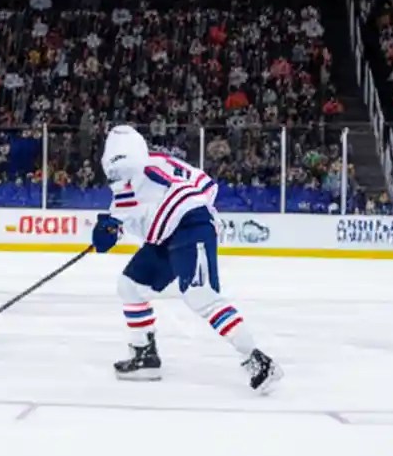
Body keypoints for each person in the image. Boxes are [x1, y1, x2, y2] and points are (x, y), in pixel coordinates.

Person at [93, 125, 281, 393]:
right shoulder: (129, 184)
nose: (119, 175)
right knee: (130, 286)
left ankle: (258, 359)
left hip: (192, 226)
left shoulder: (154, 169)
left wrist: (197, 214)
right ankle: (144, 355)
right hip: (166, 236)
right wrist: (108, 231)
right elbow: (206, 186)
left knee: (200, 294)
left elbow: (197, 195)